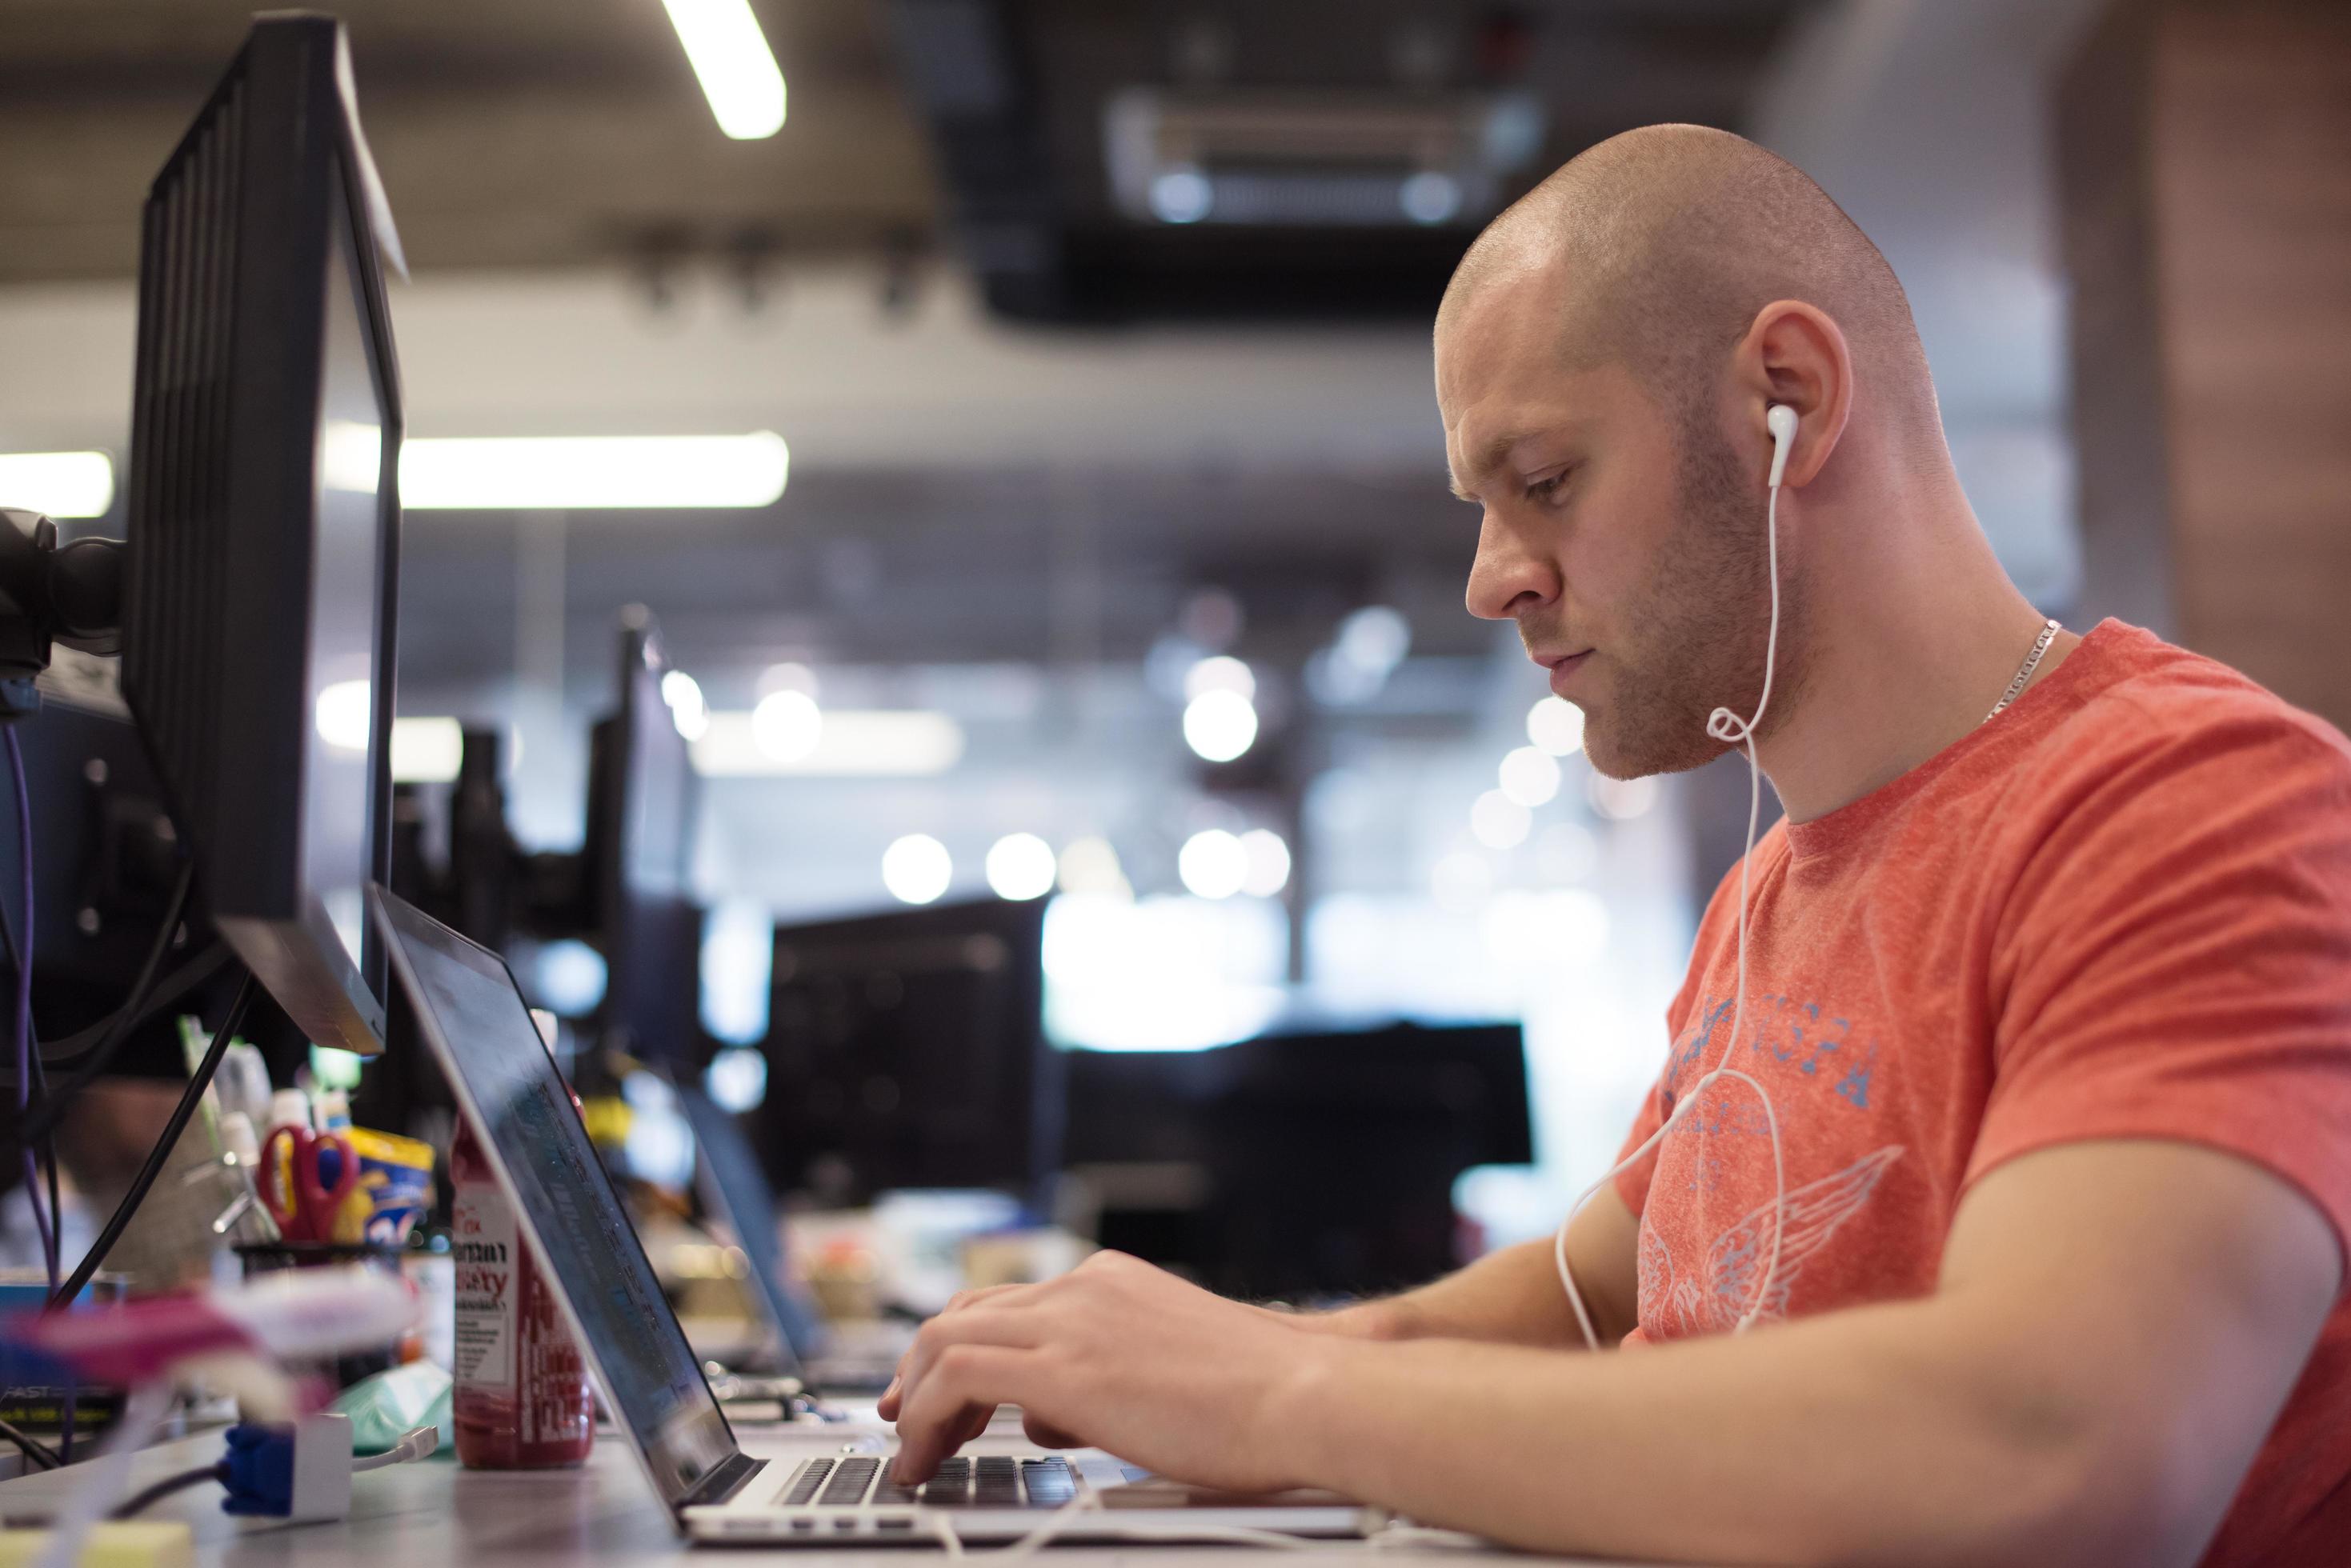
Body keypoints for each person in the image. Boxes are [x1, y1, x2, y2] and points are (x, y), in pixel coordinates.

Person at [879, 124, 2351, 1566]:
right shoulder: (1778, 883)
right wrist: (1223, 1359)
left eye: (1546, 479)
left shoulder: (2194, 805)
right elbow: (1592, 1292)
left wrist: (1293, 1395)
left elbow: (2056, 1457)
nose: (1491, 581)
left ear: (1786, 398)